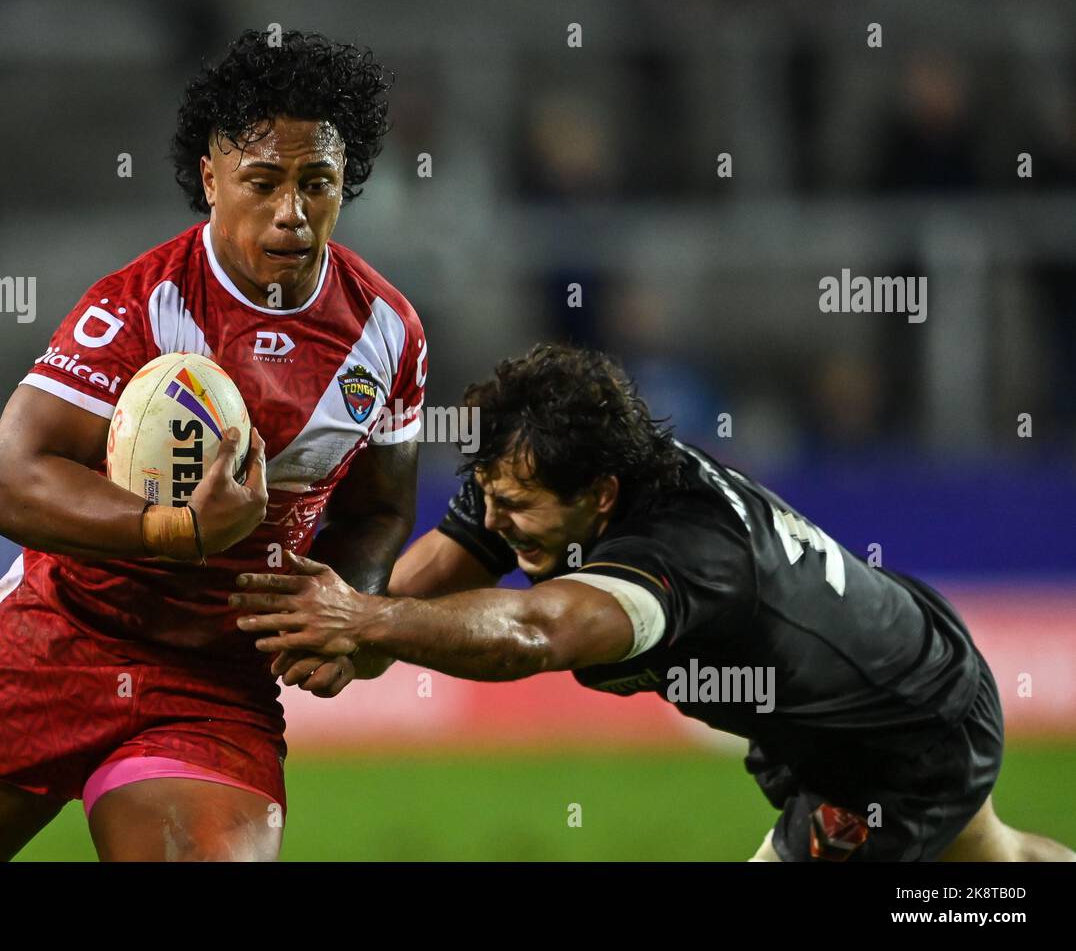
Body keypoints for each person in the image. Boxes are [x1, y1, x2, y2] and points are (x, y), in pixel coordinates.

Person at [0, 29, 423, 862]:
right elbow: (7, 482)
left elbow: (379, 508)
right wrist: (174, 530)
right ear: (210, 178)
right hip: (60, 637)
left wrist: (345, 606)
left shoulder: (388, 333)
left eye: (318, 184)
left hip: (211, 683)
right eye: (263, 181)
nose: (291, 212)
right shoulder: (141, 306)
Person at [234, 343, 1074, 862]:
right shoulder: (546, 474)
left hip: (900, 744)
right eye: (485, 494)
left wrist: (368, 621)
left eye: (514, 507)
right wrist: (354, 629)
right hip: (893, 682)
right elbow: (415, 598)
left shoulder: (681, 554)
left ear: (600, 495)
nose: (494, 521)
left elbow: (534, 632)